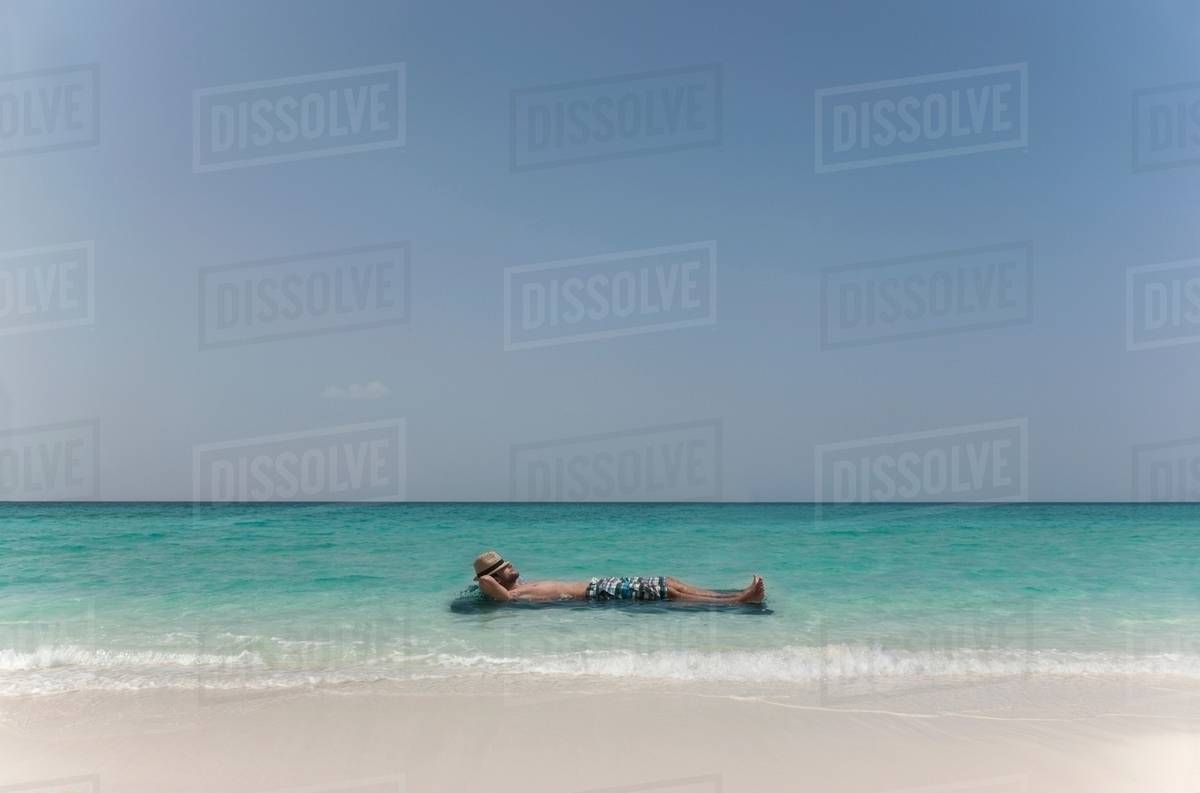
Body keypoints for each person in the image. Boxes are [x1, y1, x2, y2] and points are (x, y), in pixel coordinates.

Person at [471, 550, 765, 604]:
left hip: (603, 584)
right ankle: (739, 602)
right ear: (495, 577)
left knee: (670, 581)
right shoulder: (512, 595)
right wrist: (485, 577)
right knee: (670, 595)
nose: (511, 567)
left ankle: (733, 594)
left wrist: (494, 573)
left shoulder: (522, 585)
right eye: (504, 568)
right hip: (599, 595)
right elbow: (495, 591)